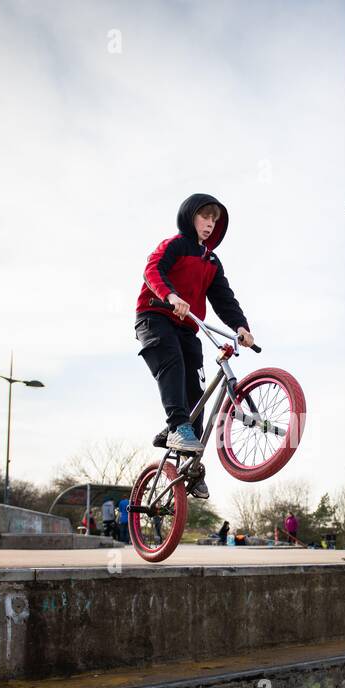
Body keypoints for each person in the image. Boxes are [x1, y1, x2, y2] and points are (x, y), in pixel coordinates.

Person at [134, 193, 255, 500]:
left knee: (196, 389)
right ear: (190, 217)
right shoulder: (174, 245)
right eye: (205, 217)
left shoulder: (212, 262)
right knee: (171, 361)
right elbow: (152, 271)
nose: (210, 225)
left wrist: (241, 328)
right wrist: (171, 296)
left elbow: (224, 299)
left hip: (188, 327)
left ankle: (191, 464)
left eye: (214, 221)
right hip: (155, 316)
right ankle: (177, 425)